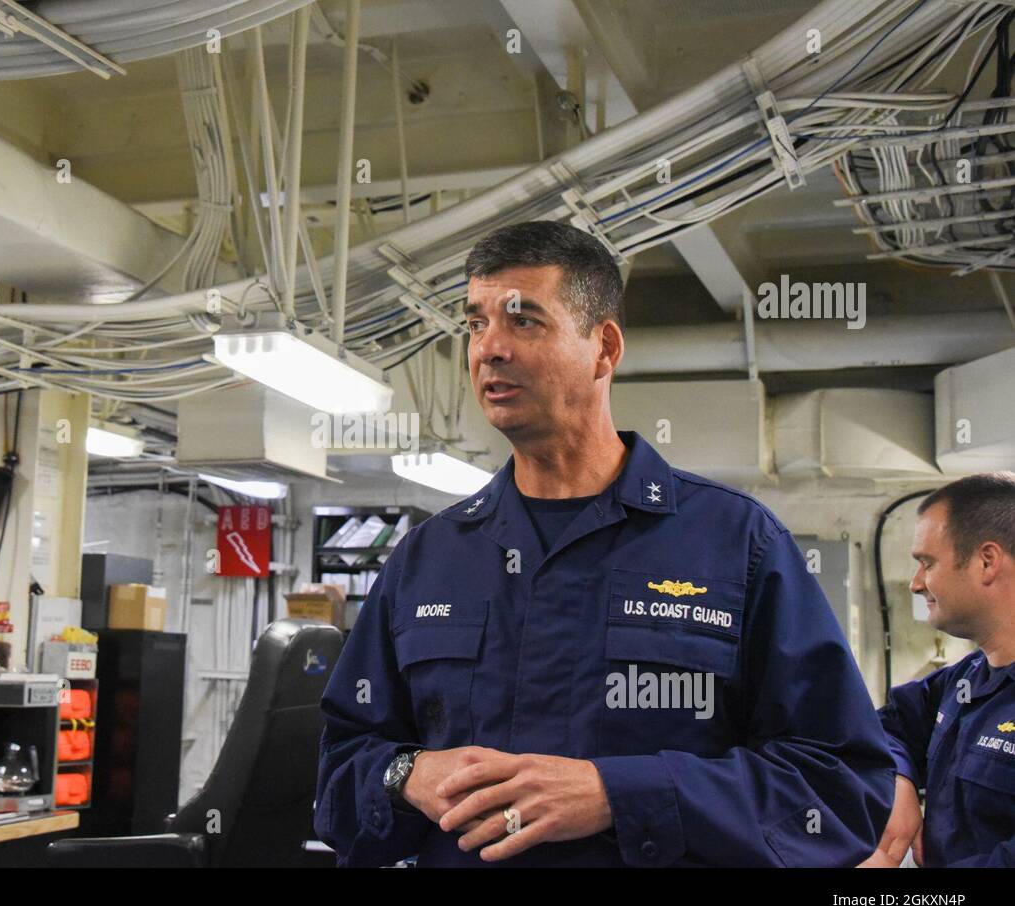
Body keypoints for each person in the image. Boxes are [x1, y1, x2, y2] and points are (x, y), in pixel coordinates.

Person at [313, 220, 894, 866]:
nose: (489, 349)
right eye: (475, 323)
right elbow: (339, 774)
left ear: (604, 348)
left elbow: (842, 789)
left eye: (523, 320)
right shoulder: (426, 560)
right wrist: (404, 775)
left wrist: (620, 793)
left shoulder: (736, 546)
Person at [863, 473, 1015, 868]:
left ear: (986, 561)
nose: (915, 584)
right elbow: (885, 727)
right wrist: (899, 781)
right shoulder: (969, 678)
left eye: (926, 563)